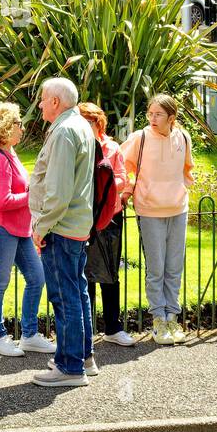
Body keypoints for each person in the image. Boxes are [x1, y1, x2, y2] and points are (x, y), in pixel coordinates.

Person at [28, 78, 97, 387]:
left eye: (43, 99)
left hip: (61, 227)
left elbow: (58, 191)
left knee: (65, 296)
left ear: (56, 102)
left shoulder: (65, 131)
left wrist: (40, 228)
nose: (40, 104)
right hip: (75, 226)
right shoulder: (79, 125)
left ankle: (70, 367)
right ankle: (82, 357)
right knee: (77, 293)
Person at [0, 102, 54, 357]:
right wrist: (30, 196)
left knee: (37, 277)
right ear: (5, 127)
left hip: (17, 229)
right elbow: (1, 200)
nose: (22, 127)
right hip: (0, 228)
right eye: (18, 123)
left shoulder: (9, 153)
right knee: (0, 282)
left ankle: (29, 334)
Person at [120, 94, 195, 345]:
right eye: (150, 113)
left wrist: (181, 190)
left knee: (174, 267)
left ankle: (172, 317)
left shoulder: (183, 137)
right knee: (156, 269)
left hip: (178, 209)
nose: (152, 118)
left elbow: (187, 169)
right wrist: (130, 189)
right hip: (149, 210)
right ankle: (158, 321)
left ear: (171, 118)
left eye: (158, 114)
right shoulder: (139, 138)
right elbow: (122, 167)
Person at [79, 102, 134, 346]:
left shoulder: (111, 148)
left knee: (110, 272)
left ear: (98, 124)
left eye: (89, 122)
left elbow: (123, 178)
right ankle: (86, 329)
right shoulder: (77, 146)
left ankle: (113, 327)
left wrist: (104, 182)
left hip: (110, 215)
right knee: (85, 274)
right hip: (84, 216)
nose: (85, 126)